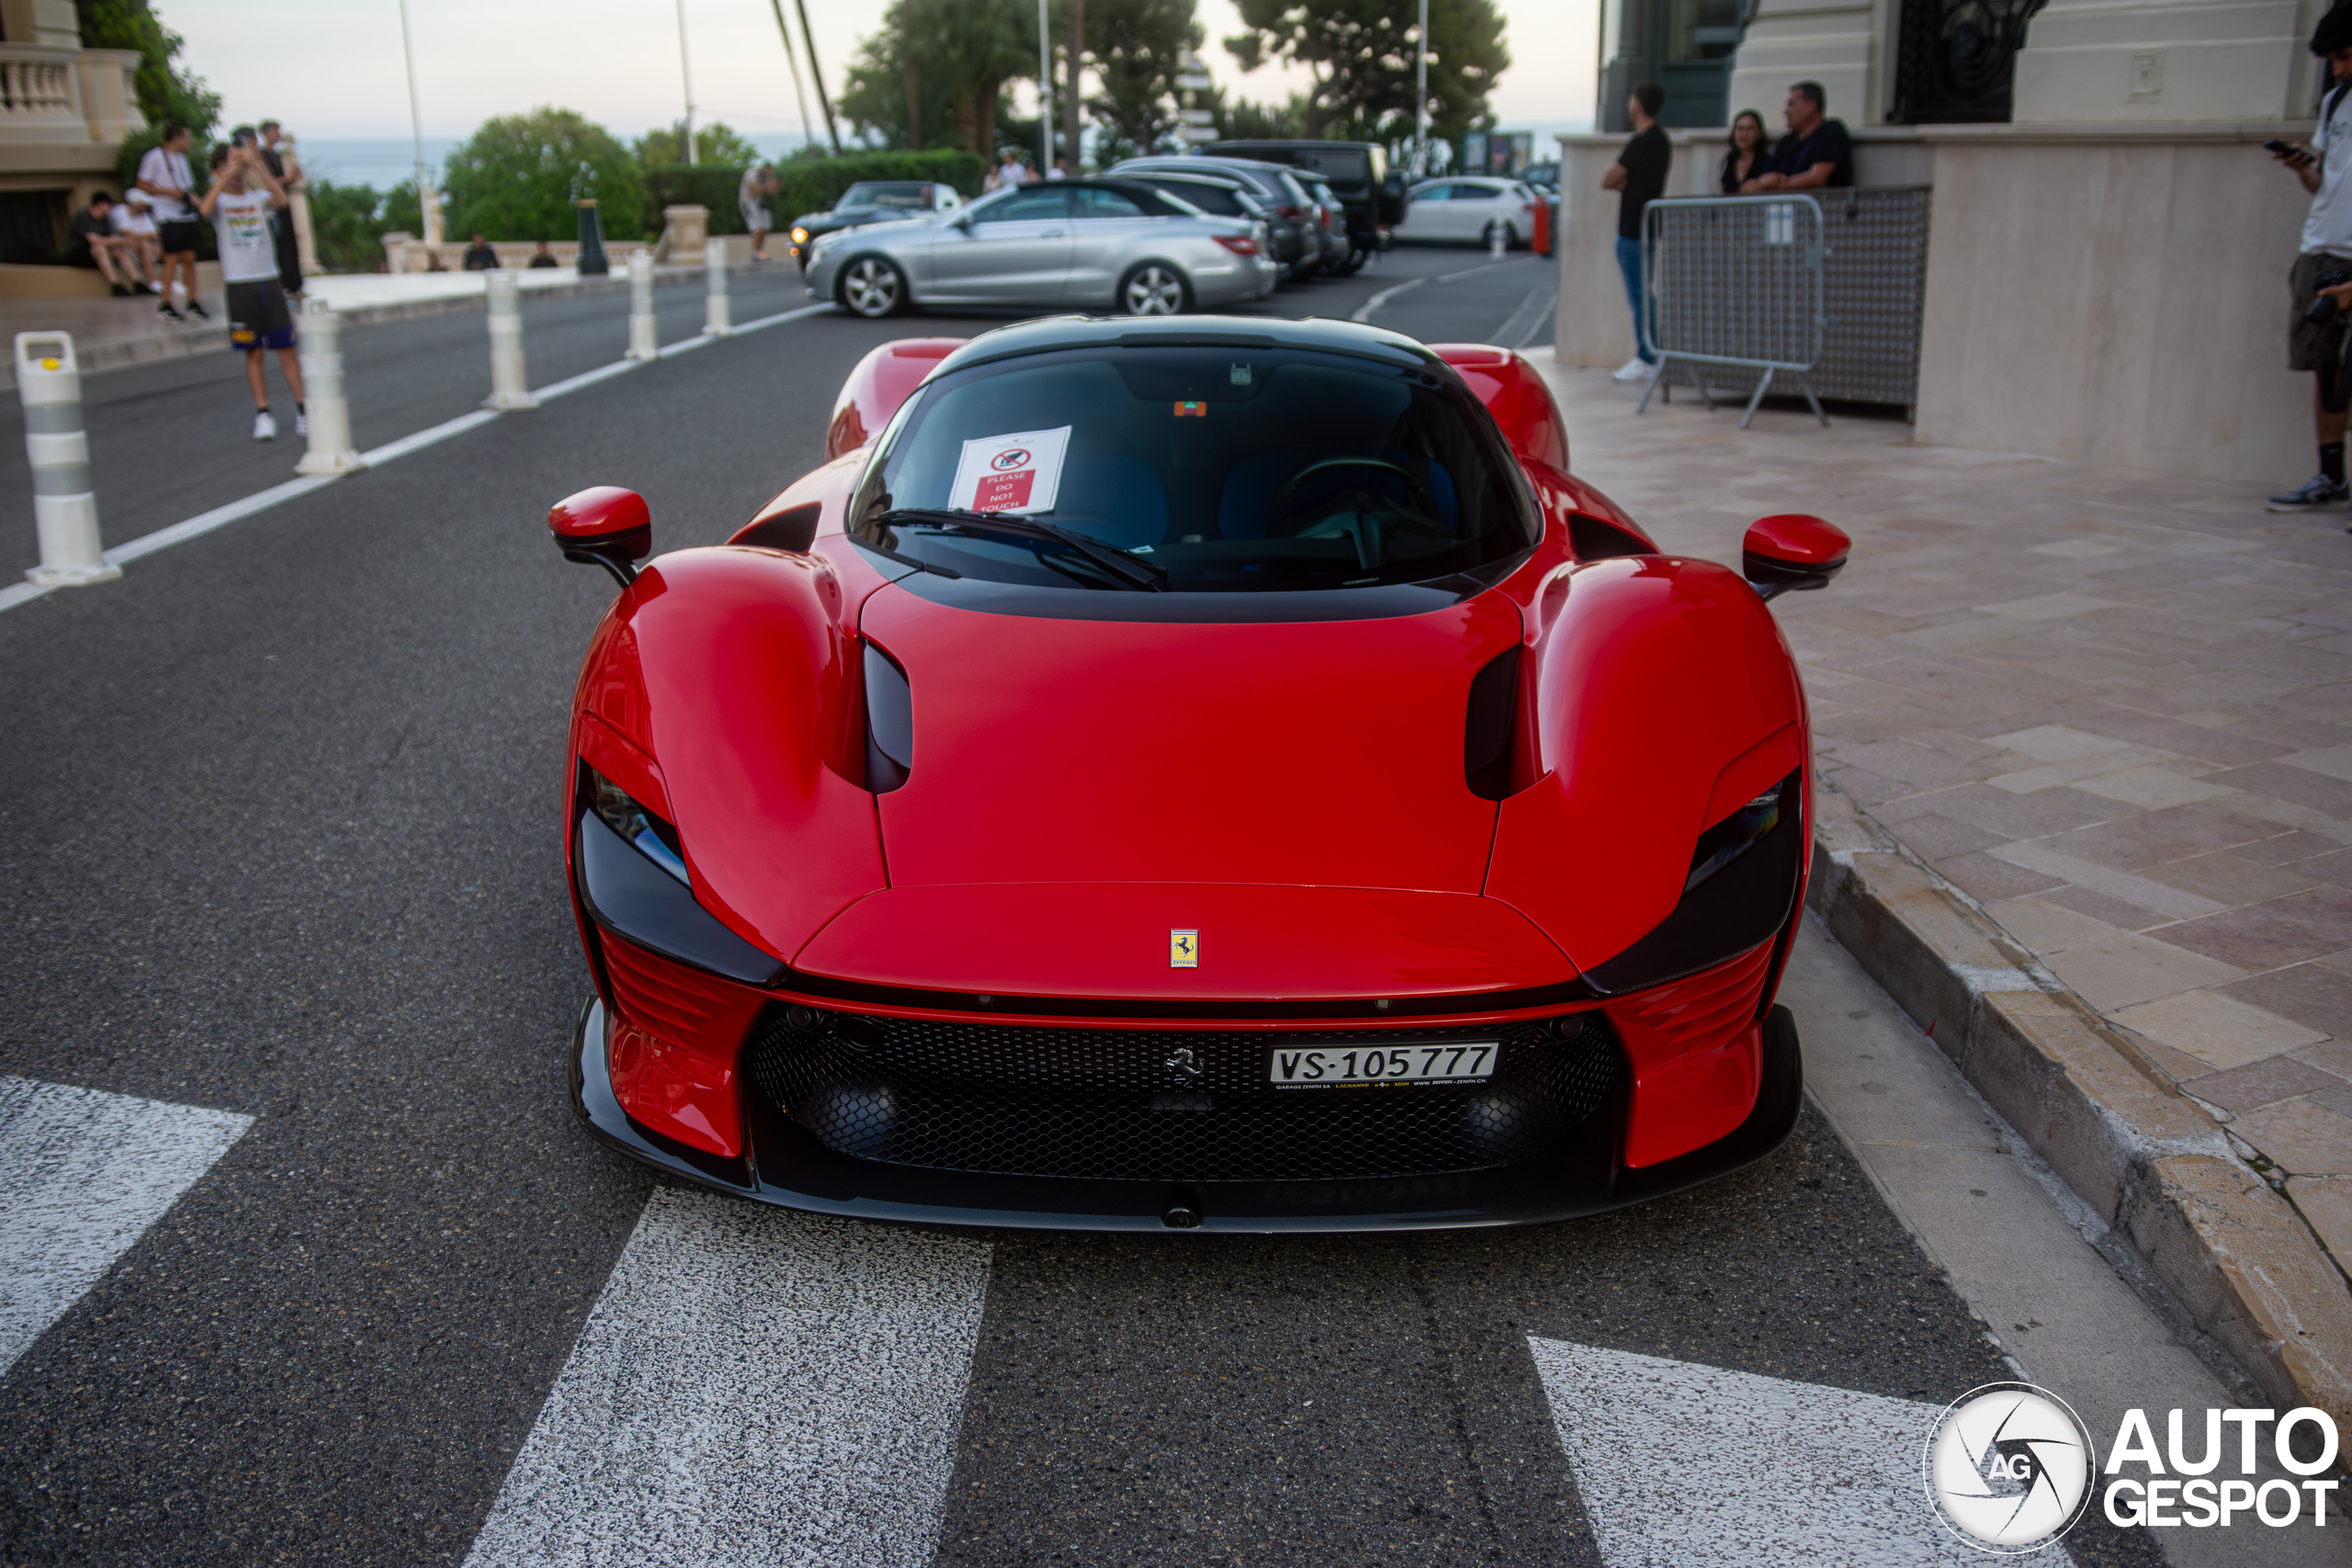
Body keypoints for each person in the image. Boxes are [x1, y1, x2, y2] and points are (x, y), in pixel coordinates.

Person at [2272, 8, 2352, 511]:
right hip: (2322, 249)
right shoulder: (2335, 101)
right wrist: (2302, 168)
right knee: (2326, 365)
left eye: (2345, 56)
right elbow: (2325, 184)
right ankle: (2330, 477)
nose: (2338, 69)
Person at [197, 142, 306, 443]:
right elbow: (204, 209)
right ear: (216, 169)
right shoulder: (219, 202)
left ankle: (303, 411)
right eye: (228, 165)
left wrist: (255, 165)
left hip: (268, 280)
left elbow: (281, 200)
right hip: (239, 285)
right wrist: (226, 174)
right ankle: (263, 414)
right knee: (253, 352)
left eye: (238, 166)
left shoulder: (257, 198)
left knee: (286, 350)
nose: (236, 171)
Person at [1600, 82, 1669, 382]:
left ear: (1638, 105)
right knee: (1645, 294)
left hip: (1632, 231)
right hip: (1650, 228)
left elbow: (1608, 179)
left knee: (1640, 296)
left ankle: (1647, 357)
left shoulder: (1641, 141)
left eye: (1631, 100)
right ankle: (1651, 353)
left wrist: (1626, 183)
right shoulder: (1662, 141)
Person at [136, 122, 206, 321]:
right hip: (167, 214)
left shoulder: (183, 160)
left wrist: (200, 204)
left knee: (190, 258)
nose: (189, 142)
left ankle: (193, 301)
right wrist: (167, 192)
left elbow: (187, 187)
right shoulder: (154, 156)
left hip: (186, 214)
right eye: (186, 137)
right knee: (172, 259)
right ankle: (166, 303)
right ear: (177, 137)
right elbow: (141, 183)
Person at [1742, 82, 1853, 193]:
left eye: (1791, 104)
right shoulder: (1786, 141)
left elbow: (1817, 178)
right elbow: (1765, 177)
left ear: (1811, 106)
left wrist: (1782, 184)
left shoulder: (1831, 131)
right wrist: (1756, 184)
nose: (1785, 111)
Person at [257, 120, 305, 296]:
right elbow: (267, 183)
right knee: (280, 244)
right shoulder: (262, 156)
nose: (279, 135)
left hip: (285, 203)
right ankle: (283, 283)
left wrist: (292, 178)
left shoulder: (279, 155)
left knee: (290, 243)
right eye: (276, 131)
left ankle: (294, 283)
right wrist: (287, 177)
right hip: (273, 206)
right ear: (267, 133)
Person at [64, 193, 137, 295]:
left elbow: (112, 238)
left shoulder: (106, 219)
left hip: (96, 255)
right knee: (99, 247)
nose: (111, 209)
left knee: (119, 251)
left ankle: (136, 282)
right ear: (101, 204)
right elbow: (93, 240)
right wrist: (115, 241)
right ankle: (115, 284)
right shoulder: (83, 215)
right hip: (77, 253)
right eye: (109, 205)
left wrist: (122, 242)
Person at [111, 189, 163, 290]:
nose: (146, 208)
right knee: (145, 244)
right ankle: (151, 283)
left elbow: (156, 235)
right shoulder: (120, 211)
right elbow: (127, 234)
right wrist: (146, 236)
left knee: (156, 246)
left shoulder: (143, 215)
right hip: (123, 249)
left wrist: (139, 236)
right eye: (144, 205)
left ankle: (163, 283)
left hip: (138, 247)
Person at [1721, 110, 1768, 195]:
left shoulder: (1767, 161)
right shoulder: (1729, 160)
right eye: (1740, 129)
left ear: (1759, 133)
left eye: (1750, 129)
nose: (1744, 134)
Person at [739, 164, 779, 260]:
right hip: (747, 202)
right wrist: (769, 185)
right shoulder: (752, 174)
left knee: (765, 227)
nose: (768, 172)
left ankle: (759, 252)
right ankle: (755, 252)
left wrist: (777, 185)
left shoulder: (765, 178)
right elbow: (757, 189)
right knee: (758, 227)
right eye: (767, 170)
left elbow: (771, 192)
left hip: (757, 203)